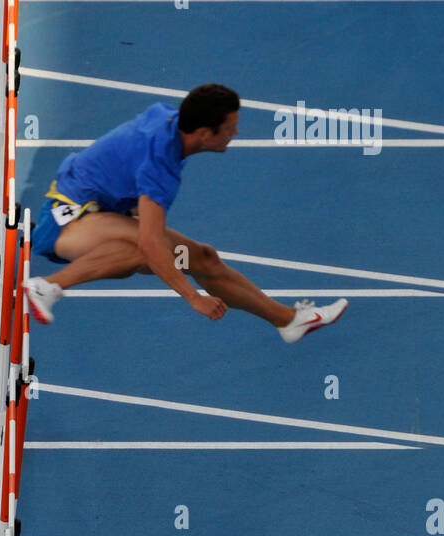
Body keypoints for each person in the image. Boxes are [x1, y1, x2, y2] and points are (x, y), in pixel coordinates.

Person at [24, 83, 347, 344]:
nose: (235, 133)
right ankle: (47, 286)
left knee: (204, 259)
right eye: (230, 128)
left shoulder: (169, 119)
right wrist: (194, 298)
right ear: (205, 133)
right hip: (65, 220)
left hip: (99, 213)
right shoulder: (160, 168)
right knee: (144, 250)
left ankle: (289, 321)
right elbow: (151, 244)